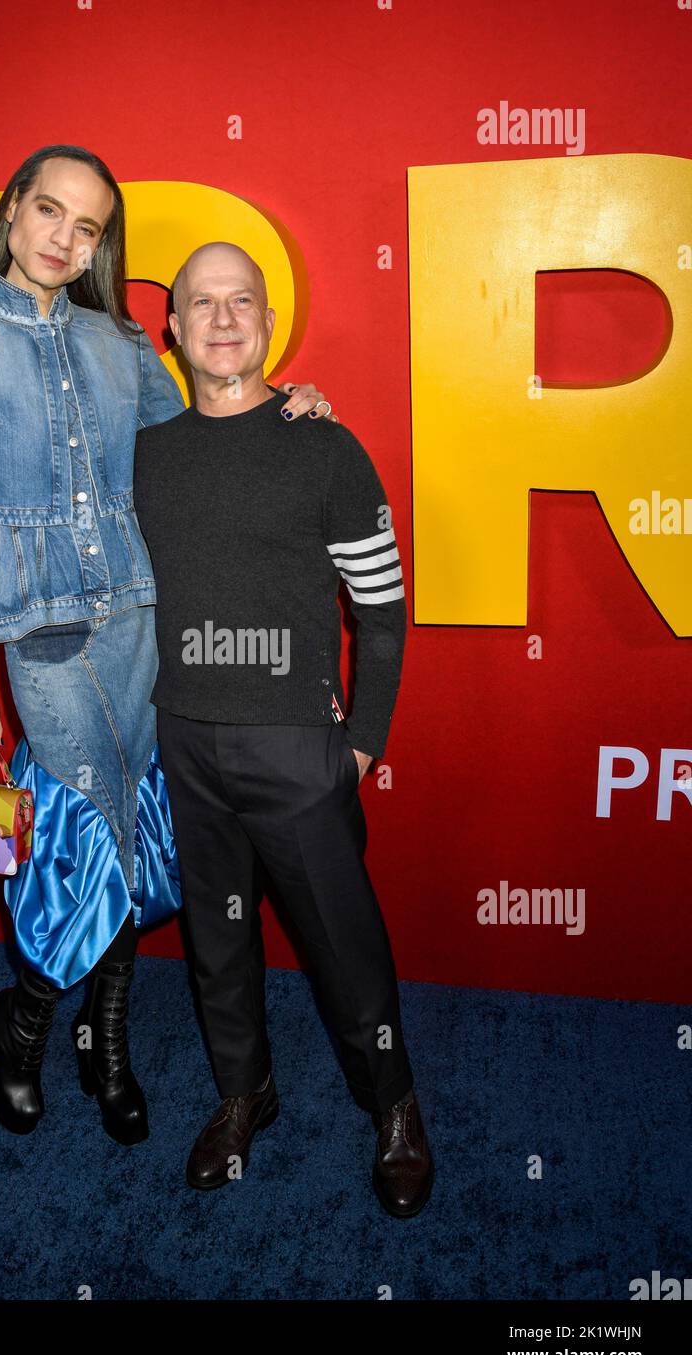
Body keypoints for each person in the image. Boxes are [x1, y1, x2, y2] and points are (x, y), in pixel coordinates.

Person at [0, 144, 336, 1144]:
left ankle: (99, 1045)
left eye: (87, 225)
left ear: (102, 242)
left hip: (148, 623)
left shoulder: (125, 345)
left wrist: (289, 406)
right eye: (48, 211)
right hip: (45, 641)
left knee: (136, 841)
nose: (63, 238)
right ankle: (28, 1030)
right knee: (88, 833)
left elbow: (198, 451)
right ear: (13, 212)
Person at [132, 242, 434, 1216]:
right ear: (171, 328)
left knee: (344, 943)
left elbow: (383, 613)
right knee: (218, 942)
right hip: (186, 739)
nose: (224, 319)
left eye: (243, 302)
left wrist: (360, 744)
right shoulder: (147, 451)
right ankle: (241, 1093)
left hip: (300, 748)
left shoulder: (325, 446)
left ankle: (393, 1105)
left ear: (269, 321)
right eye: (202, 304)